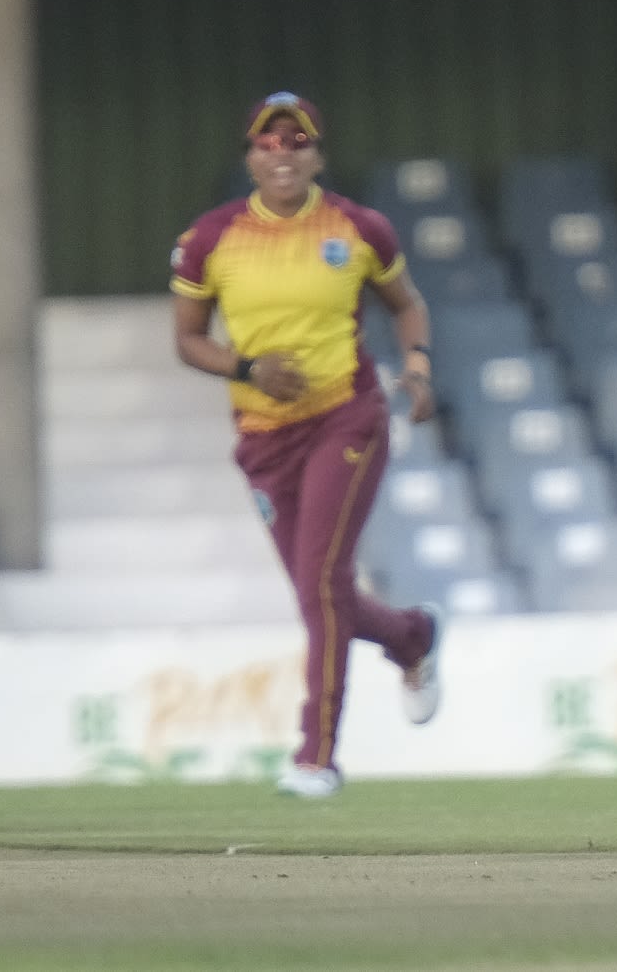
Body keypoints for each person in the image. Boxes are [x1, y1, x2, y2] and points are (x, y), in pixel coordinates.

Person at [170, 91, 443, 798]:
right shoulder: (212, 239)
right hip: (264, 438)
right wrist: (247, 369)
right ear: (250, 158)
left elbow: (407, 304)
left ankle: (316, 757)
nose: (283, 154)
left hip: (344, 419)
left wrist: (416, 367)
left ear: (318, 156)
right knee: (319, 594)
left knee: (322, 584)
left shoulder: (358, 228)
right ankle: (411, 636)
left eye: (298, 142)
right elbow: (188, 340)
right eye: (269, 143)